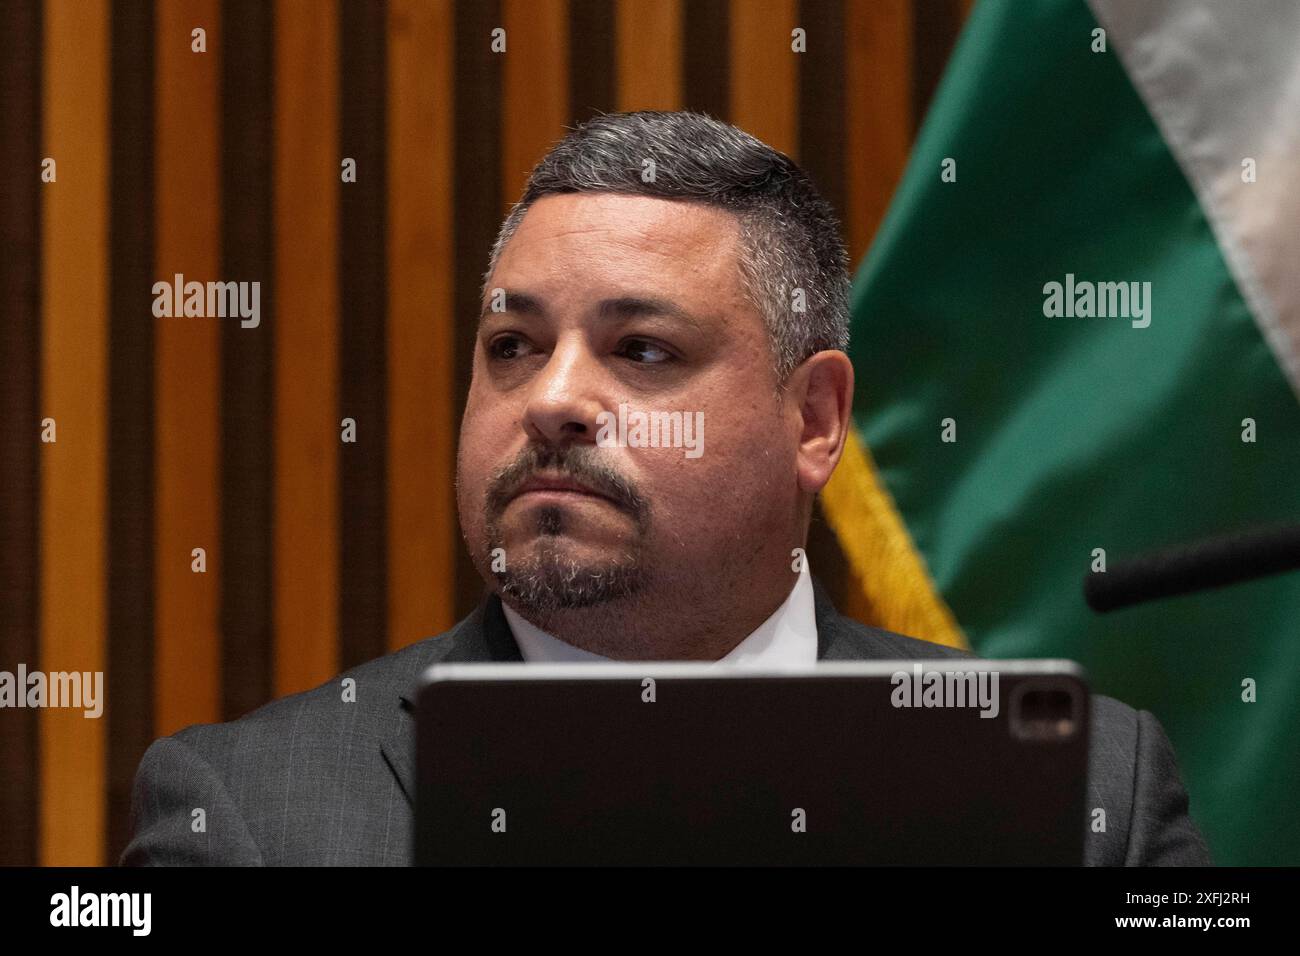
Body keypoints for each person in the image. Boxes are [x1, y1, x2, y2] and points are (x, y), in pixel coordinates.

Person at [122, 111, 1210, 866]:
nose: (552, 399)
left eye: (641, 350)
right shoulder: (251, 813)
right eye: (512, 346)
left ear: (814, 420)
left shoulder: (1085, 793)